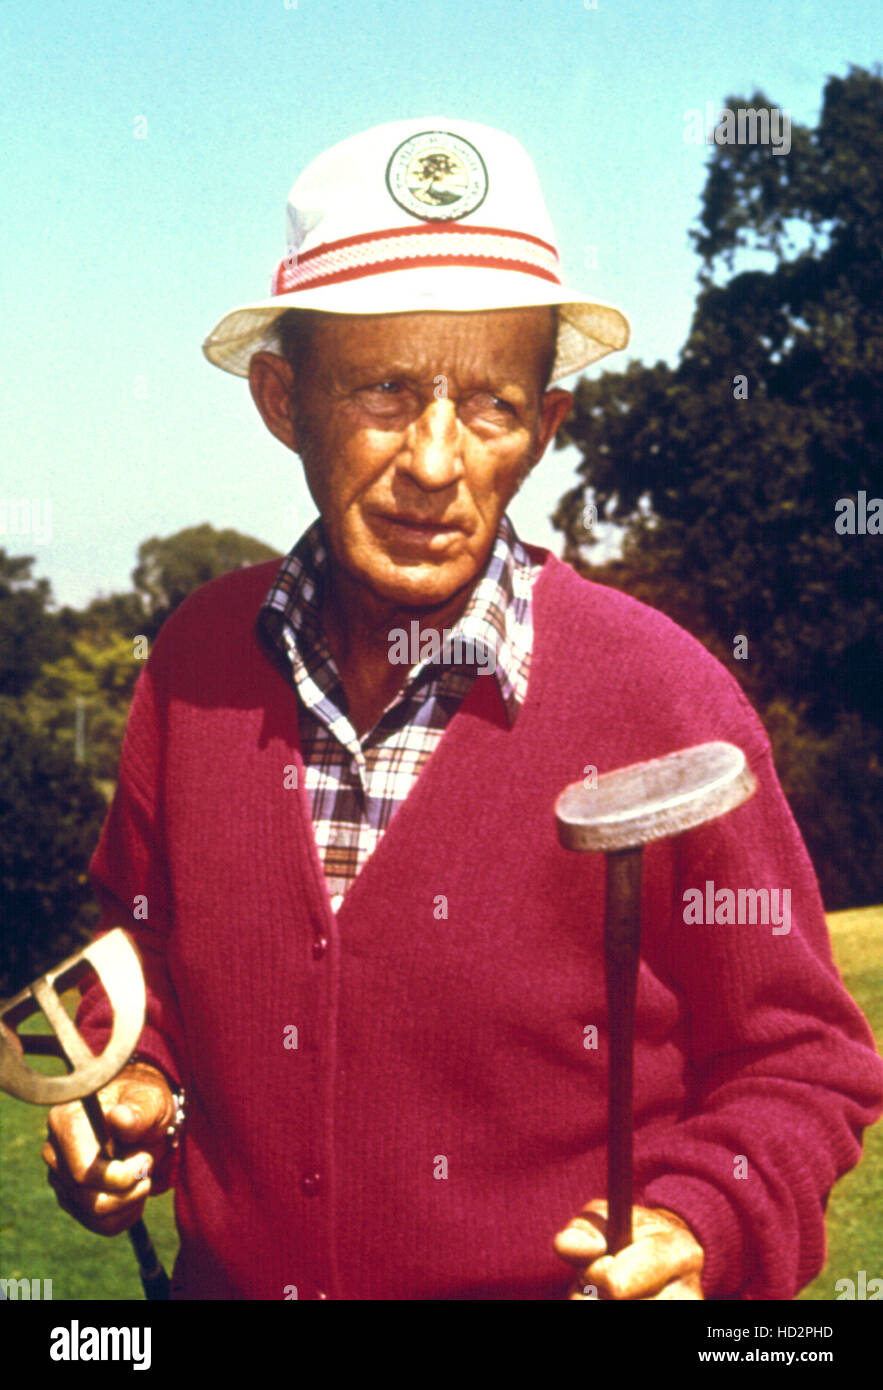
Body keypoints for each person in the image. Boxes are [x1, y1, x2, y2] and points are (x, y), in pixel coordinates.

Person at [43, 117, 883, 1301]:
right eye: (384, 392)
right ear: (284, 402)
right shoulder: (192, 667)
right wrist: (132, 1092)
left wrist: (705, 1220)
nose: (436, 462)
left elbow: (802, 1061)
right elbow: (143, 964)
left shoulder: (665, 694)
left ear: (546, 430)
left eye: (489, 406)